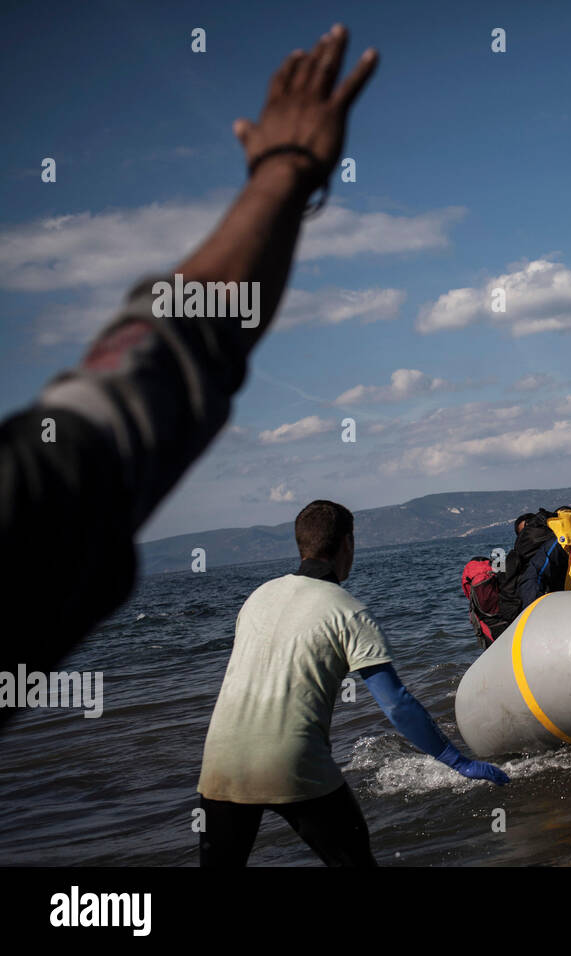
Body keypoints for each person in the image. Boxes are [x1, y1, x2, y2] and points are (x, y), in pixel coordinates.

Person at [0, 25, 378, 725]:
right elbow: (169, 355)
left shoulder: (259, 600)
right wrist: (286, 172)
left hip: (220, 773)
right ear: (348, 548)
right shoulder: (27, 513)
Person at [197, 501, 507, 867]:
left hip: (219, 763)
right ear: (347, 544)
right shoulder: (348, 611)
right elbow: (396, 704)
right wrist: (456, 761)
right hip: (296, 763)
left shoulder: (256, 598)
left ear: (302, 544)